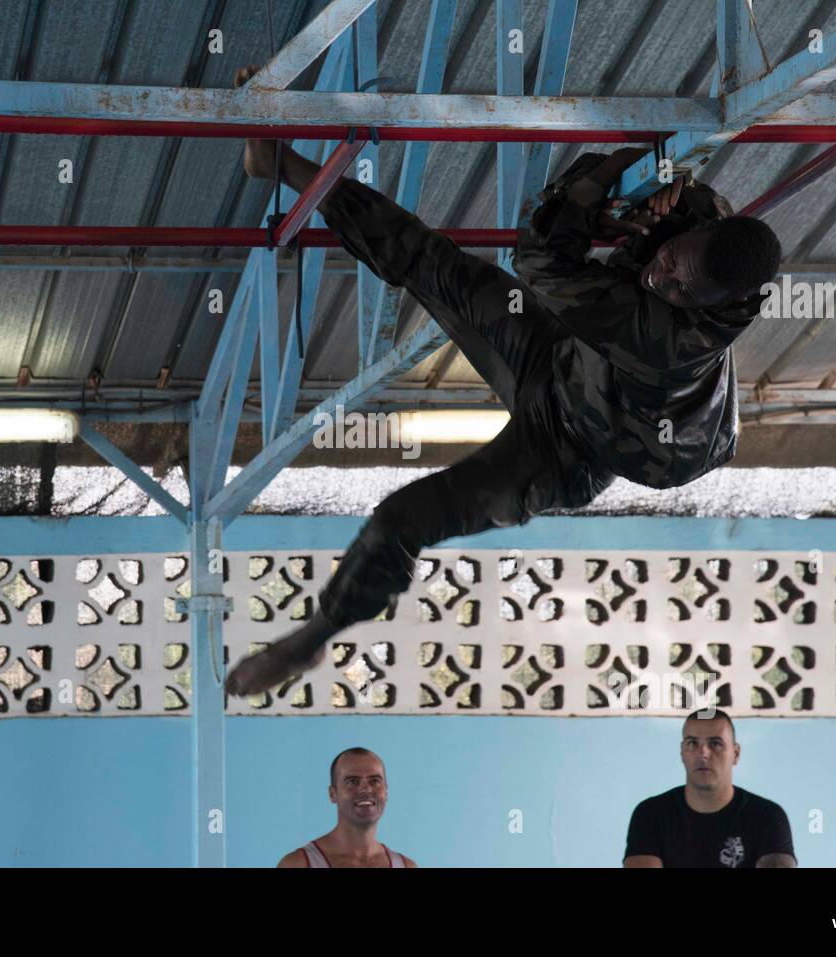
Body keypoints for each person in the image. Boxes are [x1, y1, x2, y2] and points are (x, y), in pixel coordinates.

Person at [225, 65, 781, 697]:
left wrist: (618, 170)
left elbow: (539, 252)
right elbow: (696, 199)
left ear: (708, 302)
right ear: (705, 233)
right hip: (570, 363)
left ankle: (315, 635)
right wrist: (662, 194)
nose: (664, 279)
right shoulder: (728, 243)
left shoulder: (657, 335)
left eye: (681, 291)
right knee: (436, 266)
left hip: (574, 448)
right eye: (673, 263)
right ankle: (283, 163)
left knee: (401, 518)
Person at [623, 708, 796, 867]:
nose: (703, 753)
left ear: (735, 754)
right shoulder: (651, 814)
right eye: (692, 743)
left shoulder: (767, 817)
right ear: (682, 752)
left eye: (715, 743)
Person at [277, 748, 417, 868]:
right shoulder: (299, 864)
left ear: (386, 791)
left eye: (374, 781)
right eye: (352, 781)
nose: (366, 789)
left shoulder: (406, 865)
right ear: (333, 794)